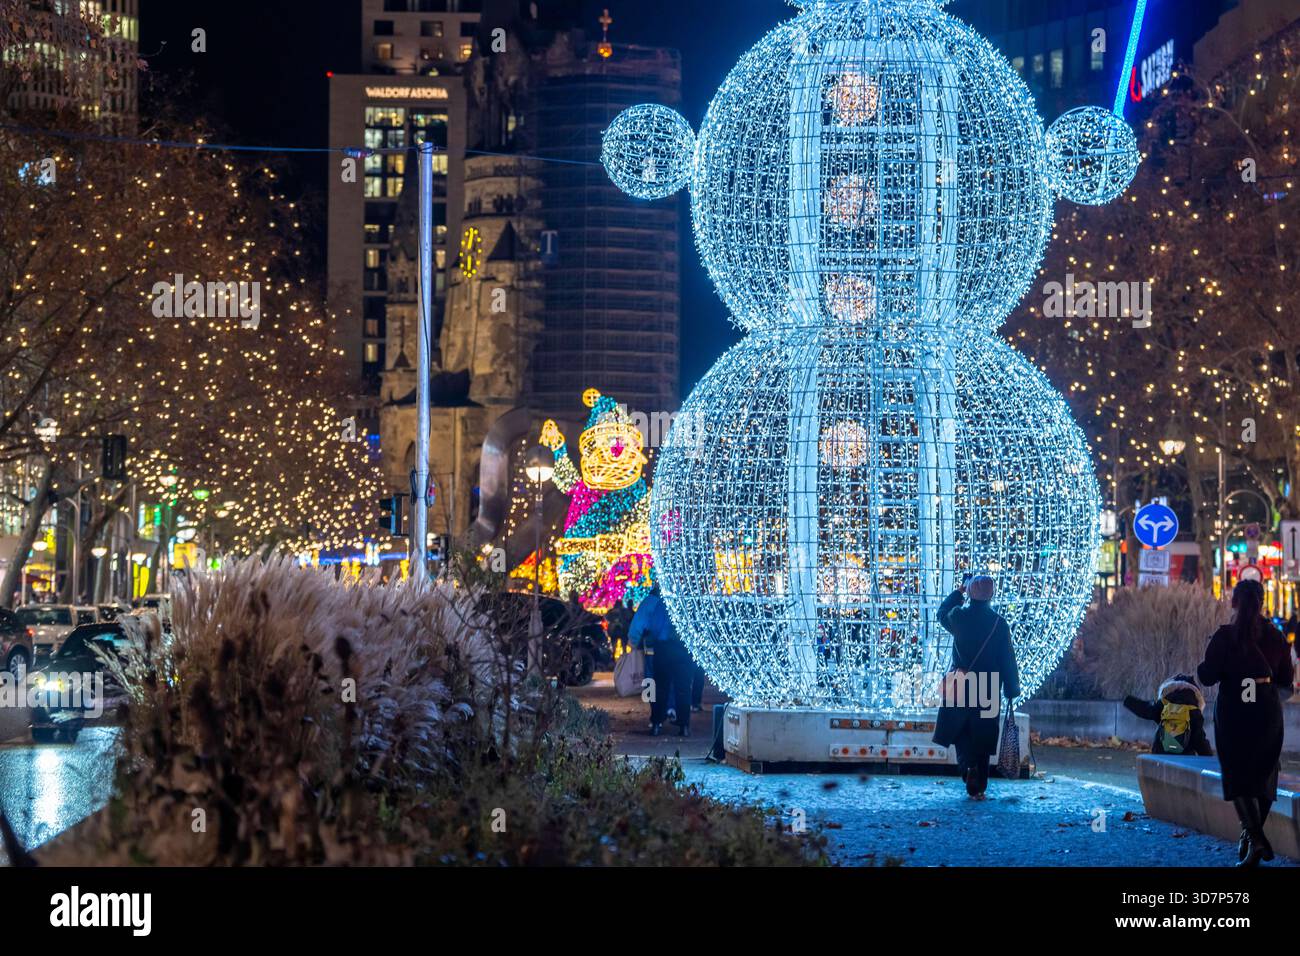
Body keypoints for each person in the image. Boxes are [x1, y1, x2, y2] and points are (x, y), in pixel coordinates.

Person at [1197, 579, 1294, 867]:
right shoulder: (1276, 637)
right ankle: (1252, 840)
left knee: (1236, 773)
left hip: (1234, 712)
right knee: (1265, 772)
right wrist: (1266, 695)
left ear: (1234, 603)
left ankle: (1257, 838)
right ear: (1262, 603)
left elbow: (1208, 676)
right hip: (1266, 710)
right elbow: (1287, 684)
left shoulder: (1225, 636)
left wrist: (1206, 663)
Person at [932, 574, 1020, 800]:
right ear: (991, 595)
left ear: (971, 593)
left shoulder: (959, 617)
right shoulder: (999, 624)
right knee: (983, 735)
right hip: (989, 686)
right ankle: (979, 785)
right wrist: (1012, 688)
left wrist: (959, 592)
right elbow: (1007, 659)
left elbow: (941, 613)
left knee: (960, 731)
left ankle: (967, 767)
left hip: (960, 683)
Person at [628, 586, 691, 737]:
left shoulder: (655, 602)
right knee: (683, 688)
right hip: (682, 650)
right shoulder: (684, 602)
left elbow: (644, 626)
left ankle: (656, 722)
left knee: (658, 686)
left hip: (660, 649)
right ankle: (684, 724)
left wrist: (635, 642)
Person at [1122, 674, 1214, 756]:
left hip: (1161, 754)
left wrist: (1127, 700)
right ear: (1195, 693)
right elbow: (1199, 740)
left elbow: (1145, 710)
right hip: (1185, 758)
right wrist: (1209, 759)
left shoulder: (1164, 704)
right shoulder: (1194, 710)